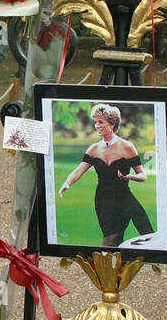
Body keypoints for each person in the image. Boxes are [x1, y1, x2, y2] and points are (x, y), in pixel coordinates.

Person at [57, 103, 154, 247]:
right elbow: (78, 171)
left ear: (112, 124)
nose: (96, 125)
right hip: (103, 200)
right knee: (110, 240)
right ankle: (104, 267)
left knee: (147, 232)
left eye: (100, 122)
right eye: (95, 122)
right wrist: (67, 183)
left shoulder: (127, 147)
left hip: (125, 198)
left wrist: (130, 177)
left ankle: (129, 265)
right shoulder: (94, 149)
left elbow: (143, 175)